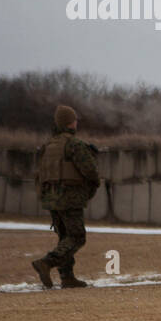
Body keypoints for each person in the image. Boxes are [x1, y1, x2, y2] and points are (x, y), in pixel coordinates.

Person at [31, 105, 100, 288]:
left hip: (51, 197)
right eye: (75, 120)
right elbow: (90, 170)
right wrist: (94, 183)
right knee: (77, 236)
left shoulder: (48, 145)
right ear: (70, 122)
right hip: (70, 196)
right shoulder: (74, 144)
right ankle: (47, 262)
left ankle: (67, 277)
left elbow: (39, 173)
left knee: (64, 237)